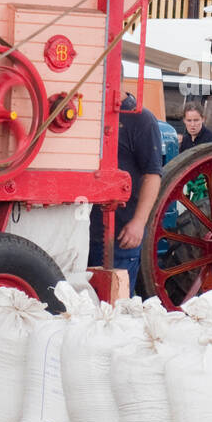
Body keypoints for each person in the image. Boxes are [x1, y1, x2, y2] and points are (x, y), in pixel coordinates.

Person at [88, 93, 162, 295]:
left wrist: (138, 223)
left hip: (121, 234)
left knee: (115, 304)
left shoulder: (142, 119)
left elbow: (153, 175)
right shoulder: (88, 111)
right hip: (82, 232)